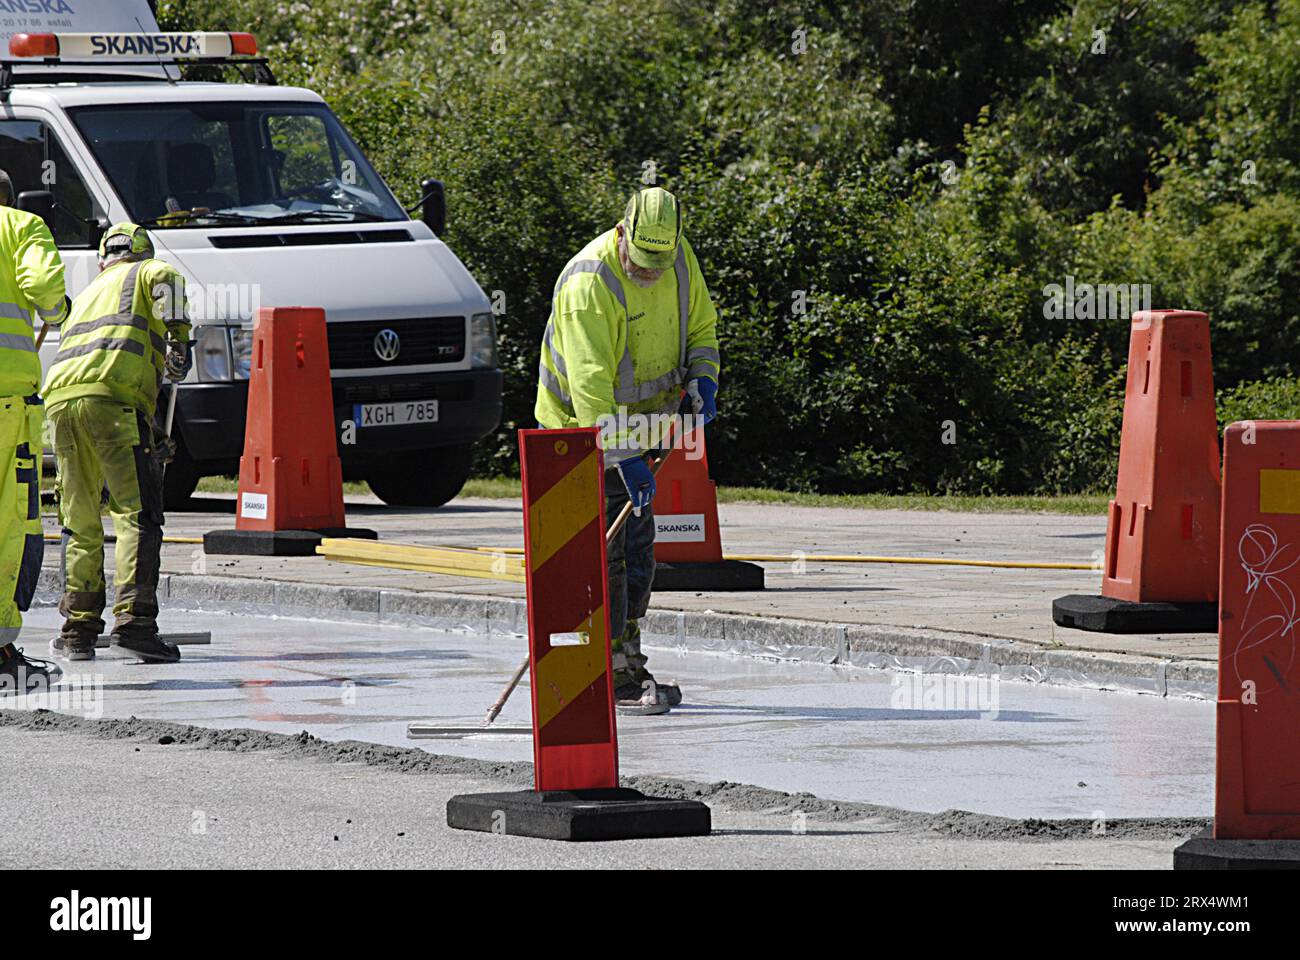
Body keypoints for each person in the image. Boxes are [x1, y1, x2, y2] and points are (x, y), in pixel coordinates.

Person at [535, 187, 720, 707]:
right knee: (605, 556)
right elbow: (590, 388)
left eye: (659, 264)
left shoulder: (677, 257)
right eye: (641, 263)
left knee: (638, 551)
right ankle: (605, 671)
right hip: (578, 437)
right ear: (622, 233)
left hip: (641, 433)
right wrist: (623, 458)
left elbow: (702, 327)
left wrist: (703, 377)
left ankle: (629, 660)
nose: (650, 273)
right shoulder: (590, 282)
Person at [43, 222, 191, 663]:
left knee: (80, 522)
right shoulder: (146, 272)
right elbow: (167, 279)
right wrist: (179, 341)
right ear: (141, 253)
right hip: (113, 404)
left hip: (62, 407)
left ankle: (78, 631)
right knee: (136, 515)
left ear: (103, 260)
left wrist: (152, 434)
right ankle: (135, 626)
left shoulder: (88, 294)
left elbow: (99, 364)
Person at [0, 168, 69, 691]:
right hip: (6, 405)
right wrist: (57, 309)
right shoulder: (21, 226)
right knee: (10, 527)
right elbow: (45, 290)